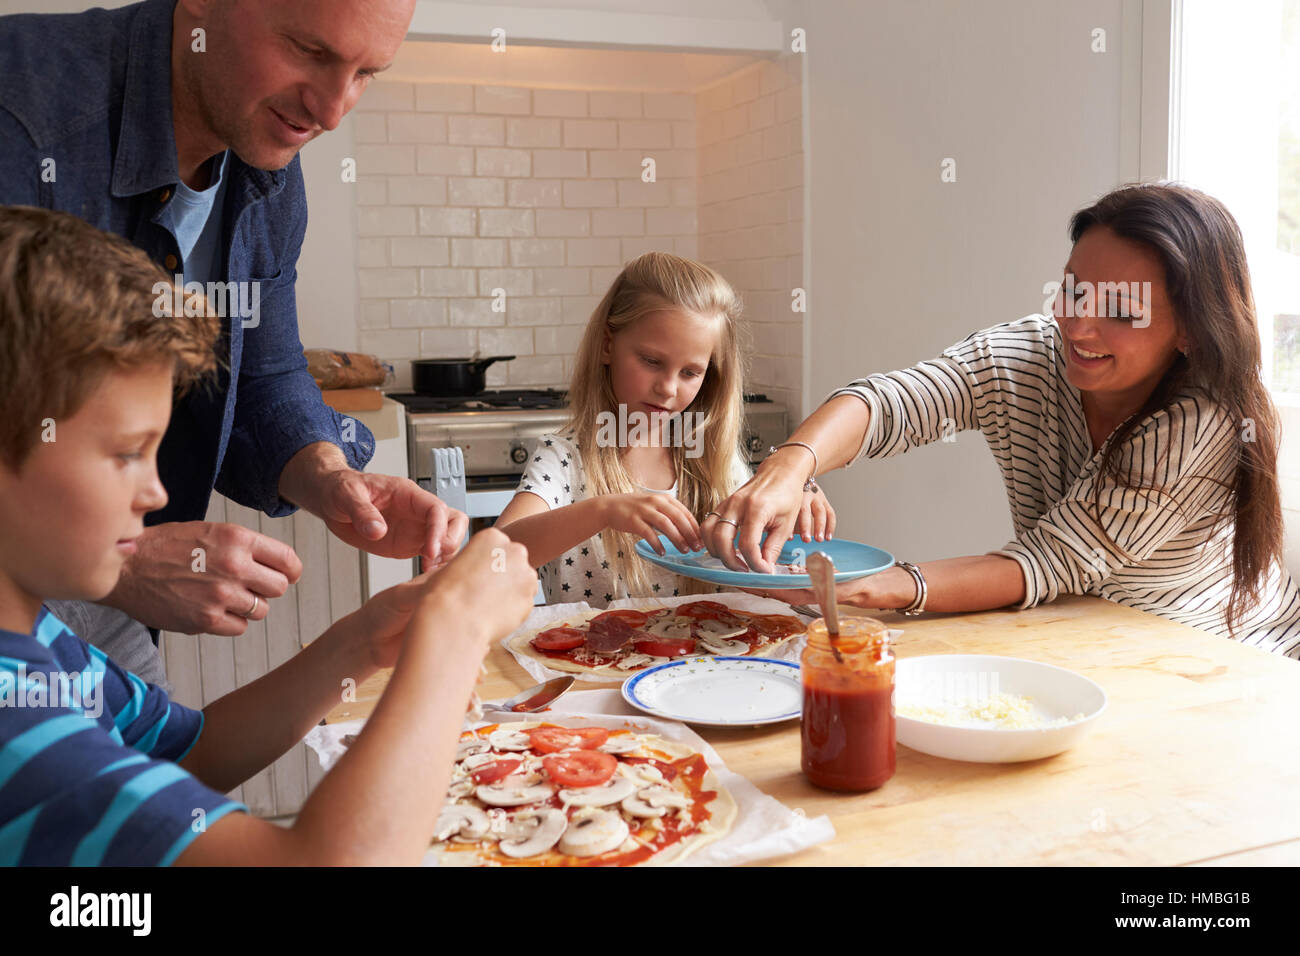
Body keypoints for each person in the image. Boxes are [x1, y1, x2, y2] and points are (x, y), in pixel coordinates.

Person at [0, 206, 538, 865]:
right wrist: (453, 633)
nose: (156, 492)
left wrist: (363, 641)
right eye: (125, 453)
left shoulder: (41, 642)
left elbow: (188, 753)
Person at [0, 0, 466, 689]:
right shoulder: (20, 113)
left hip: (100, 650)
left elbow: (264, 373)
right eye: (310, 50)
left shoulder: (265, 164)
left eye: (366, 73)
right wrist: (121, 559)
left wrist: (330, 476)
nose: (333, 111)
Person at [704, 183, 1300, 659]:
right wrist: (790, 464)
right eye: (1073, 291)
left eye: (1121, 311)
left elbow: (1048, 561)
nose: (1080, 325)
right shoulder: (1030, 355)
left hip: (1213, 660)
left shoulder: (1206, 421)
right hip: (1082, 634)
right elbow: (893, 402)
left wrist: (868, 587)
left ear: (1192, 330)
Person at [495, 252, 834, 606]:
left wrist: (794, 494)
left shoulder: (711, 457)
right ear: (609, 345)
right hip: (590, 661)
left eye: (690, 373)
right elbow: (495, 558)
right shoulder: (564, 458)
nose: (669, 388)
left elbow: (761, 555)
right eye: (652, 361)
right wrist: (601, 511)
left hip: (708, 661)